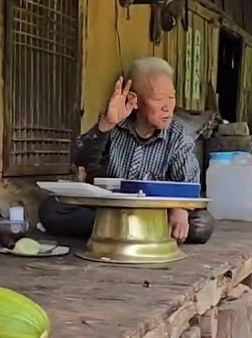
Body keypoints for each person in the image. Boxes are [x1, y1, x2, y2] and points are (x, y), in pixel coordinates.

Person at [40, 57, 214, 244]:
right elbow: (81, 159)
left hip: (158, 212)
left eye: (171, 97)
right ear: (135, 100)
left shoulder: (179, 136)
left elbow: (188, 184)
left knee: (201, 225)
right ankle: (145, 232)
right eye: (158, 99)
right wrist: (107, 123)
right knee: (52, 209)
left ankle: (117, 231)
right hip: (111, 210)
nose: (167, 107)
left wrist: (180, 211)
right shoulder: (113, 125)